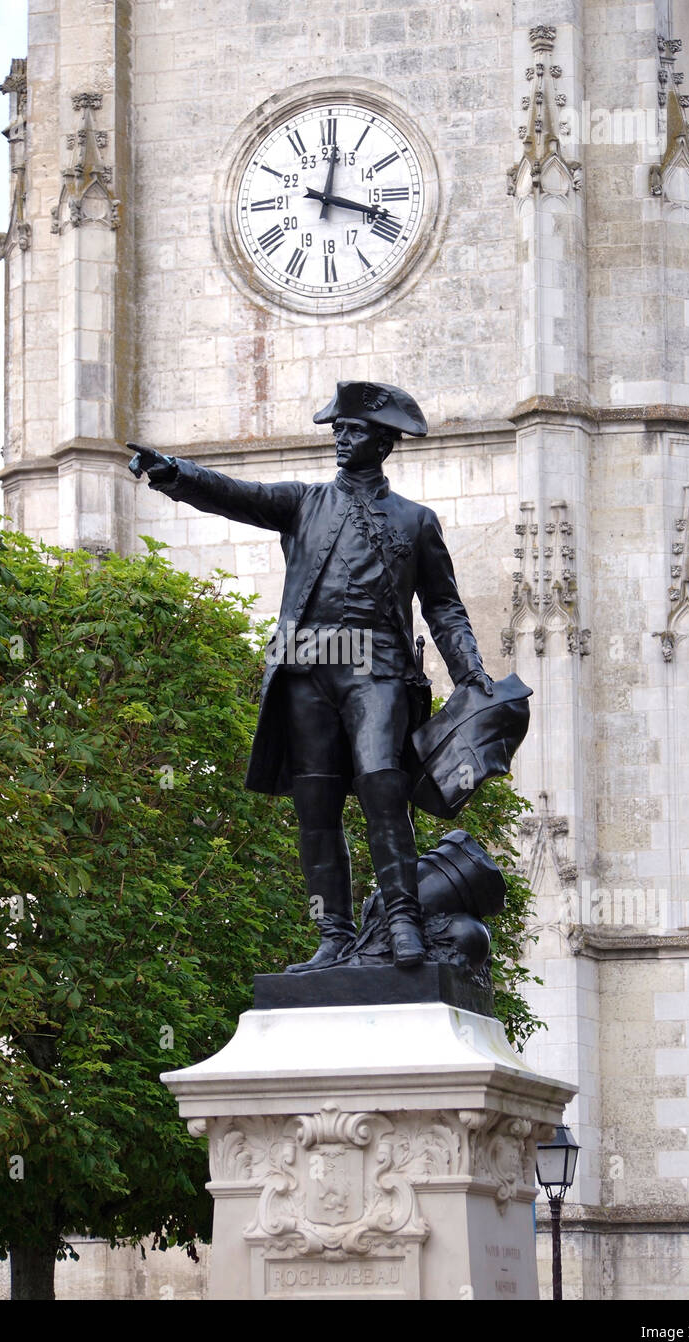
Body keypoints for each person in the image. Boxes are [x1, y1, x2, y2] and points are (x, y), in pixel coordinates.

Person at [128, 381, 492, 972]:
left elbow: (443, 607)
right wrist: (174, 473)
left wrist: (470, 672)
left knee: (382, 783)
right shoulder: (303, 501)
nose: (343, 440)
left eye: (354, 431)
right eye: (339, 430)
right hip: (306, 669)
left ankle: (402, 919)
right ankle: (333, 932)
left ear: (384, 442)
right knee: (316, 803)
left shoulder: (416, 521)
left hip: (376, 667)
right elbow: (236, 495)